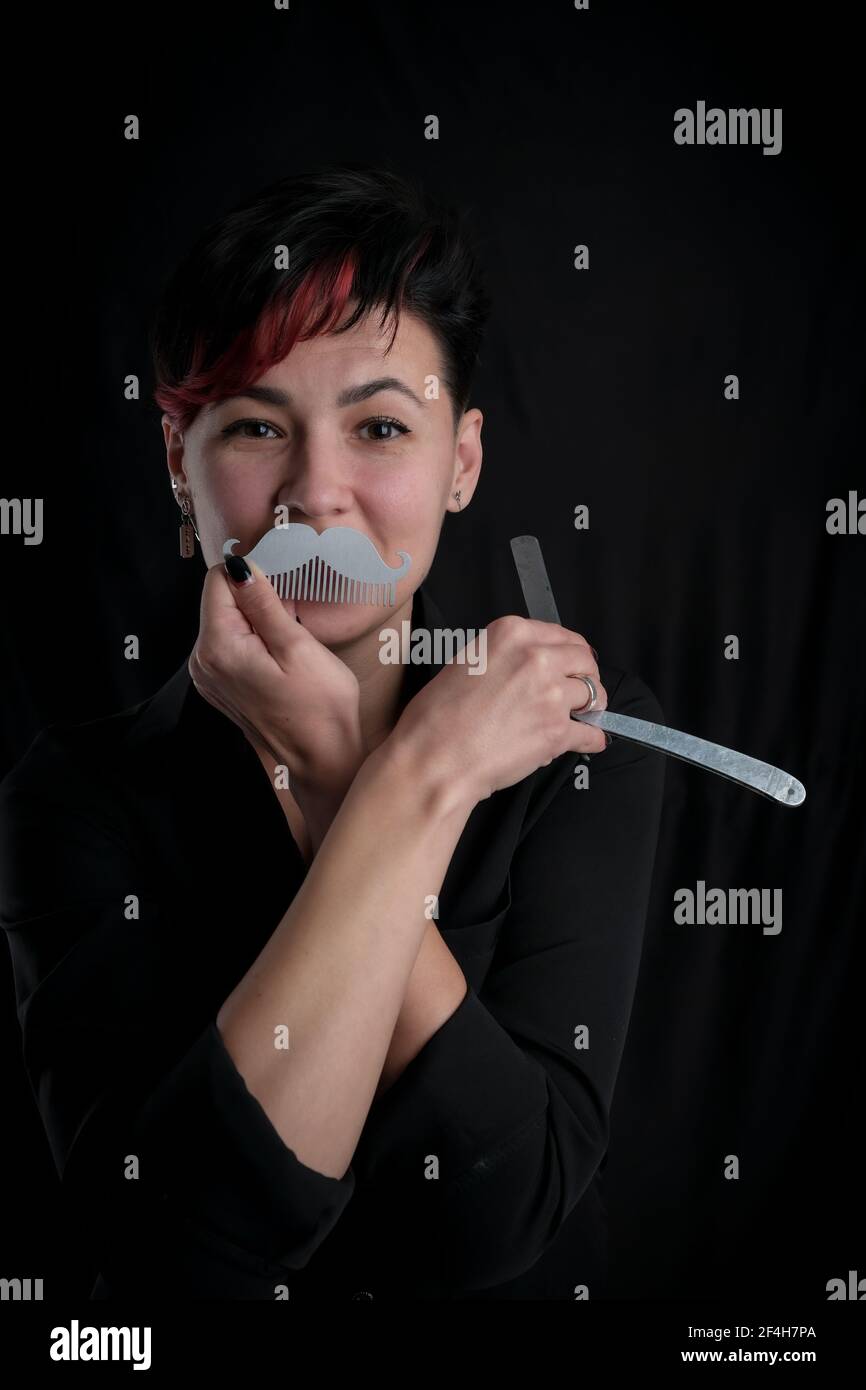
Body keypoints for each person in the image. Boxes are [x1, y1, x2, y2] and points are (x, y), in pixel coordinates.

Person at [0, 162, 666, 1300]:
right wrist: (394, 788)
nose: (315, 494)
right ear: (178, 466)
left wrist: (336, 781)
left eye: (378, 426)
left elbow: (500, 1213)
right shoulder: (77, 792)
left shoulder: (574, 736)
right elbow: (181, 1257)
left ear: (459, 463)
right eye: (257, 425)